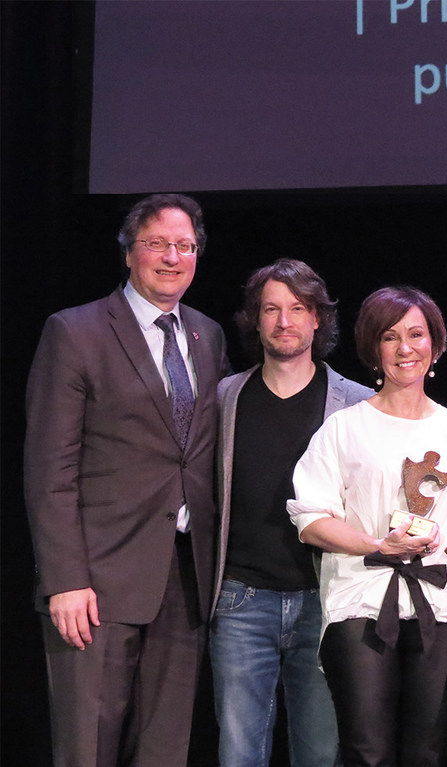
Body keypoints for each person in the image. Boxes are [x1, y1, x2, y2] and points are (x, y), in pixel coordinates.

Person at [23, 193, 230, 767]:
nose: (172, 257)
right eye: (157, 243)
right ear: (129, 252)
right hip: (98, 582)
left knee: (165, 748)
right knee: (88, 746)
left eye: (185, 246)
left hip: (185, 576)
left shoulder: (207, 336)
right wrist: (65, 579)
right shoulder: (75, 331)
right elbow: (49, 471)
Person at [287, 287, 447, 767]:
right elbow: (310, 517)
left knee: (429, 751)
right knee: (366, 750)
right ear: (373, 348)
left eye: (416, 335)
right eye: (390, 337)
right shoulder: (344, 428)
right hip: (360, 600)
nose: (404, 348)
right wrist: (376, 545)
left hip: (441, 603)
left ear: (436, 345)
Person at [210, 259, 372, 766]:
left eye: (297, 309)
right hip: (240, 600)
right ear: (254, 320)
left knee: (322, 752)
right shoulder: (225, 398)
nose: (284, 321)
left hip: (323, 601)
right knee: (239, 753)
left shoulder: (355, 403)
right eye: (271, 309)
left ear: (318, 319)